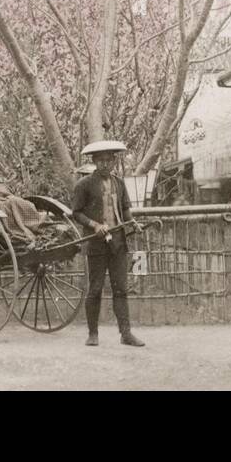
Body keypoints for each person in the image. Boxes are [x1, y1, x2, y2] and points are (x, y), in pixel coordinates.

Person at [71, 139, 144, 347]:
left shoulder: (119, 183)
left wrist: (133, 223)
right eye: (101, 160)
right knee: (95, 288)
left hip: (118, 242)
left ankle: (126, 334)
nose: (105, 164)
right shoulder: (83, 185)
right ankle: (93, 333)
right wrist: (94, 225)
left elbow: (126, 209)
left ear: (113, 161)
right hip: (96, 243)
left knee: (120, 288)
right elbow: (76, 213)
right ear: (94, 161)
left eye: (109, 160)